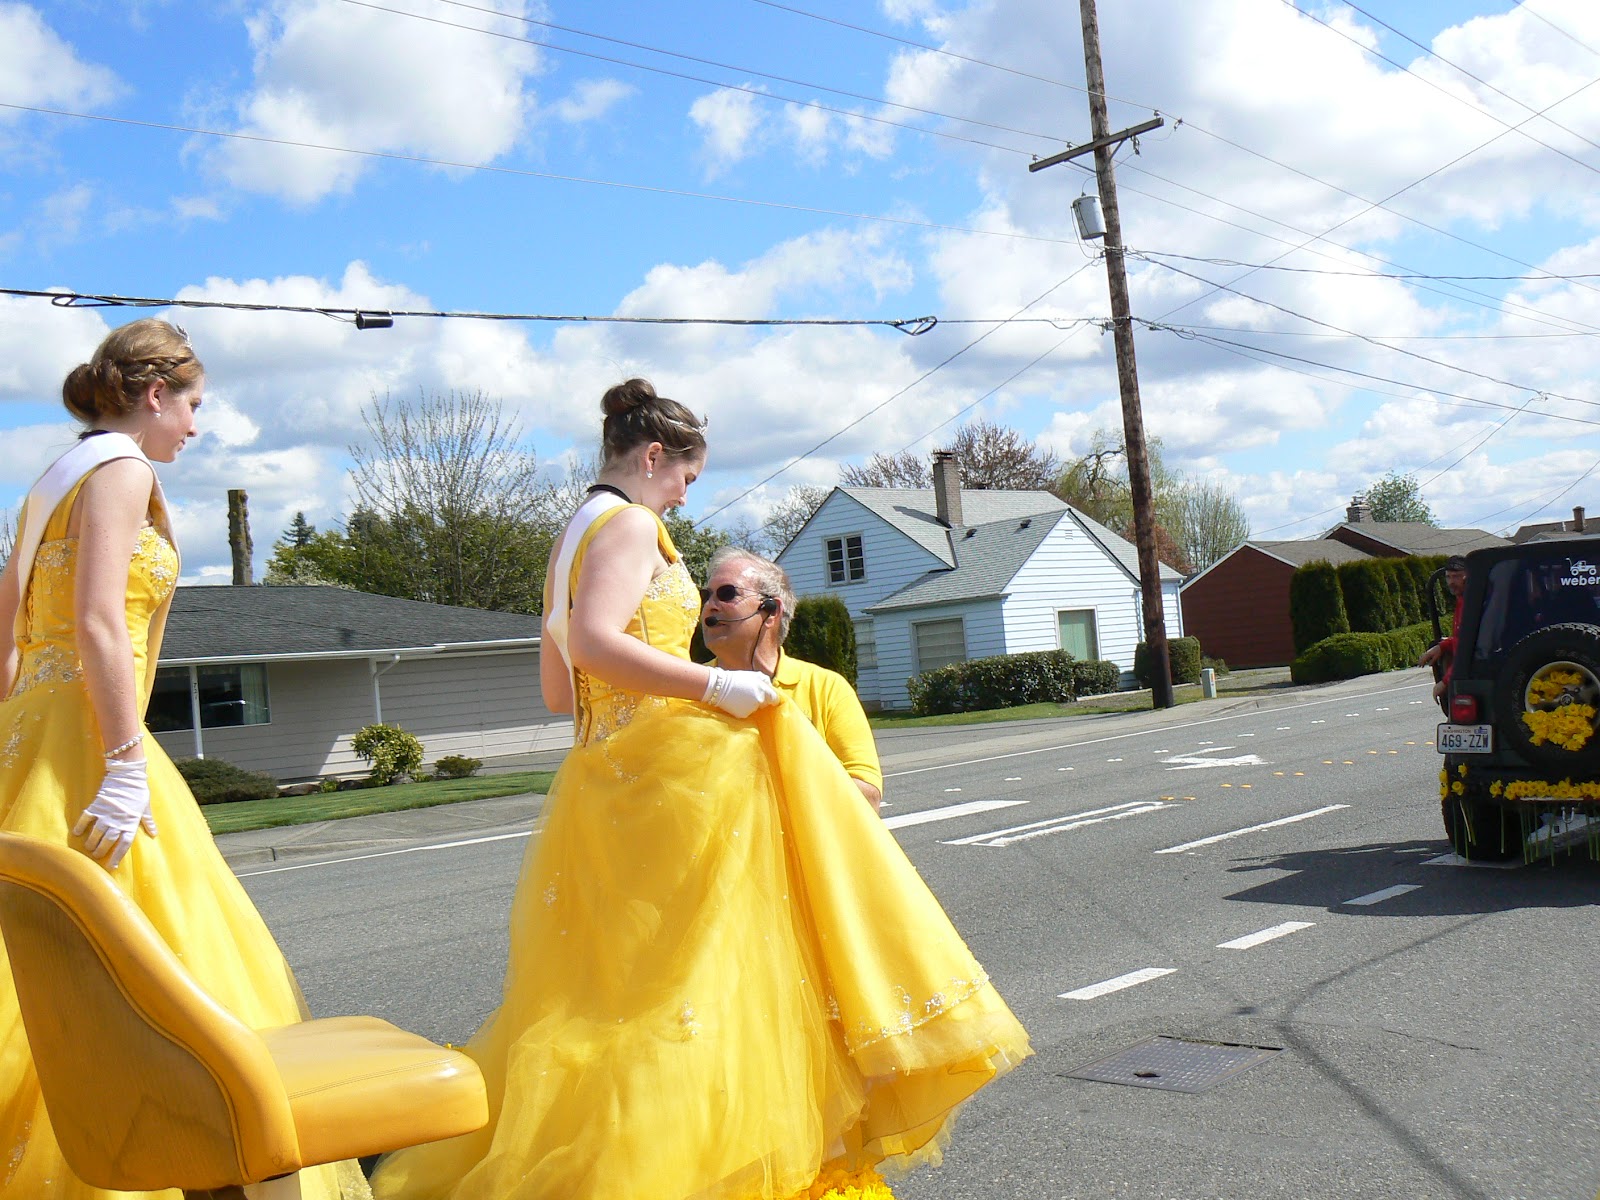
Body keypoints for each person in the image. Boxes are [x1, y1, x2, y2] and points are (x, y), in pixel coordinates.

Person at [371, 380, 1029, 1200]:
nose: (686, 495)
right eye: (686, 477)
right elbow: (595, 644)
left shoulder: (570, 536)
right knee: (711, 972)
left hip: (599, 782)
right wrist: (714, 689)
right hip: (666, 778)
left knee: (624, 993)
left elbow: (557, 687)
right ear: (653, 457)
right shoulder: (630, 524)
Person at [0, 319, 369, 1200]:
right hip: (91, 739)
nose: (197, 426)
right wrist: (126, 762)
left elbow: (9, 634)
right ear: (156, 393)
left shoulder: (52, 477)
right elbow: (99, 620)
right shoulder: (123, 467)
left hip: (31, 734)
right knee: (149, 969)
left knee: (48, 967)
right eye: (193, 405)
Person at [701, 546, 883, 812]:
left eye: (727, 593)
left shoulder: (826, 688)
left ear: (771, 610)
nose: (710, 606)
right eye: (705, 596)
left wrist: (790, 751)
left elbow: (868, 799)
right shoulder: (689, 689)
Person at [1420, 554, 1469, 701]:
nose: (1451, 582)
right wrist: (1441, 646)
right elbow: (1462, 638)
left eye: (1456, 576)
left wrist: (1446, 681)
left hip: (1473, 675)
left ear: (1468, 576)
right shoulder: (1462, 601)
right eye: (1448, 577)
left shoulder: (1474, 604)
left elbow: (1469, 648)